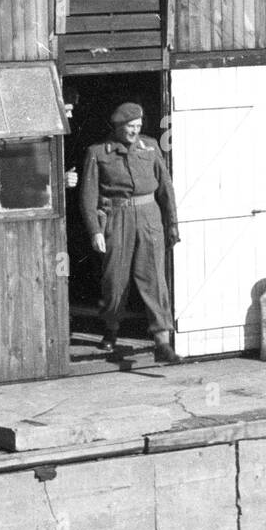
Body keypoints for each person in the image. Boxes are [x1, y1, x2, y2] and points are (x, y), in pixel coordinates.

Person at [80, 102, 182, 364]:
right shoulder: (97, 153)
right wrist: (95, 231)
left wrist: (172, 224)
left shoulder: (150, 146)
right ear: (117, 126)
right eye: (130, 127)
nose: (135, 131)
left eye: (138, 126)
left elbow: (166, 188)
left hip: (150, 217)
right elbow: (88, 197)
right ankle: (111, 328)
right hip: (117, 218)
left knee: (154, 279)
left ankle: (162, 341)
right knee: (115, 280)